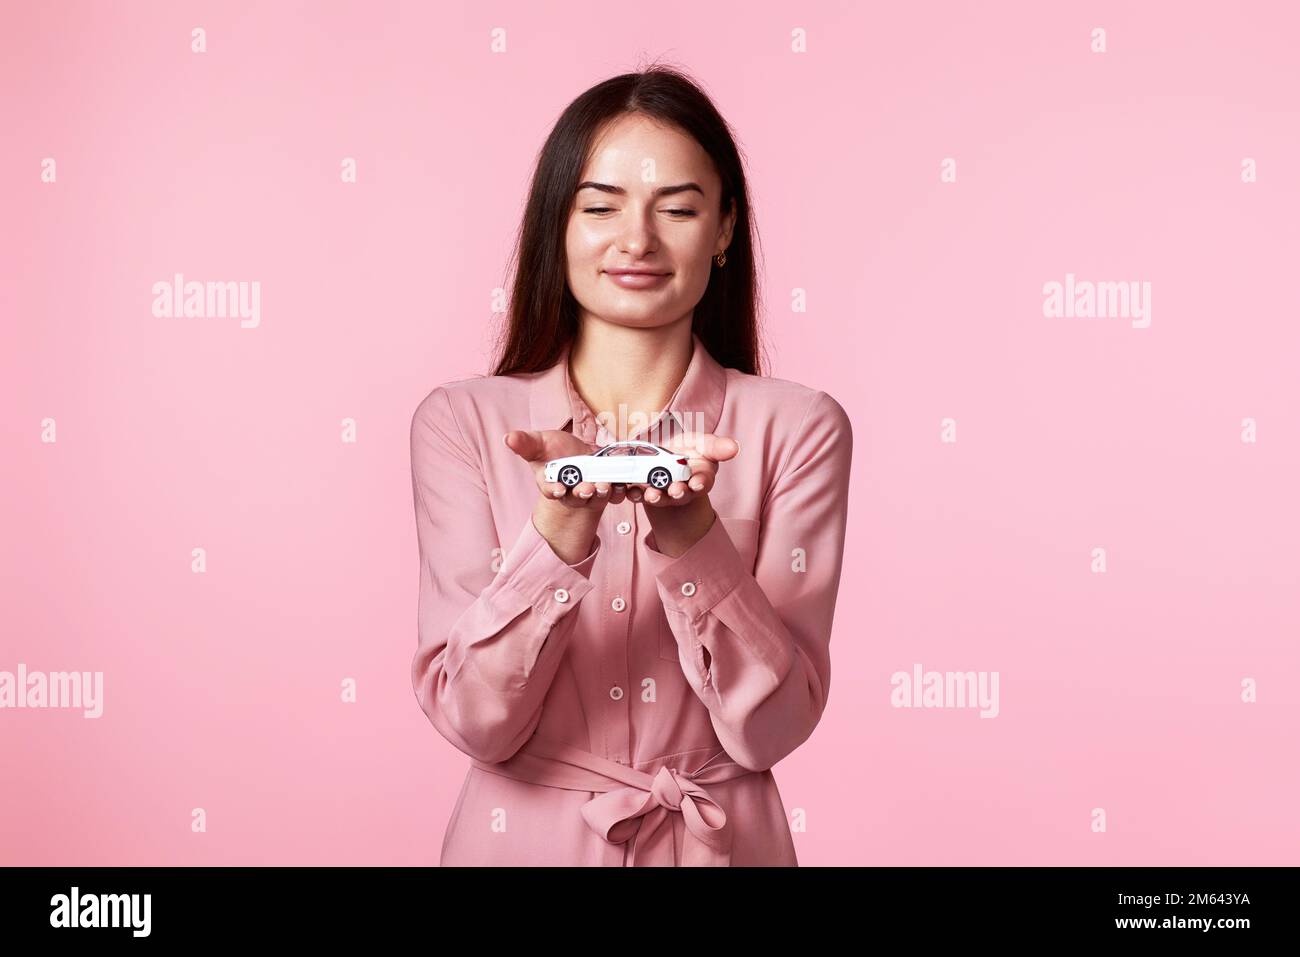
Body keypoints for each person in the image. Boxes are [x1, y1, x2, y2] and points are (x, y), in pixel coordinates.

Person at [409, 64, 853, 866]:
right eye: (600, 207)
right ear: (558, 226)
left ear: (723, 229)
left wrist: (694, 540)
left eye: (678, 208)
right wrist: (558, 531)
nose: (637, 240)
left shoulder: (800, 427)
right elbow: (476, 719)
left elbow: (772, 727)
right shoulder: (464, 423)